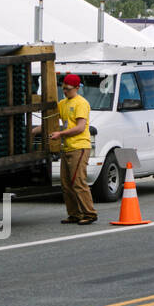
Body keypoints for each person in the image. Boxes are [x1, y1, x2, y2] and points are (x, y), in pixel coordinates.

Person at [49, 74, 95, 225]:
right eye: (63, 88)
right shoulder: (62, 103)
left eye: (68, 89)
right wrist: (35, 131)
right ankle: (74, 214)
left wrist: (60, 134)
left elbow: (80, 127)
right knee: (66, 183)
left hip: (80, 146)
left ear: (76, 88)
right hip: (67, 147)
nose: (65, 91)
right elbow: (53, 122)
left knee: (78, 181)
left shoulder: (81, 103)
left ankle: (89, 213)